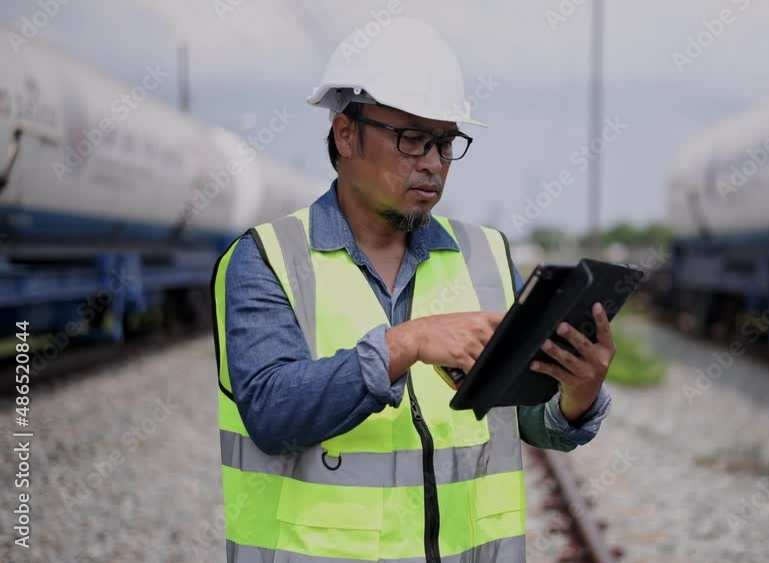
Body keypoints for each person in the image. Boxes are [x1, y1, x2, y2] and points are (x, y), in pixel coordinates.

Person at [211, 18, 614, 563]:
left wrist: (577, 394)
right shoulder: (267, 259)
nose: (431, 162)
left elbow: (530, 421)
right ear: (346, 134)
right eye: (410, 139)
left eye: (445, 143)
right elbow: (272, 413)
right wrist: (406, 344)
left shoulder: (487, 256)